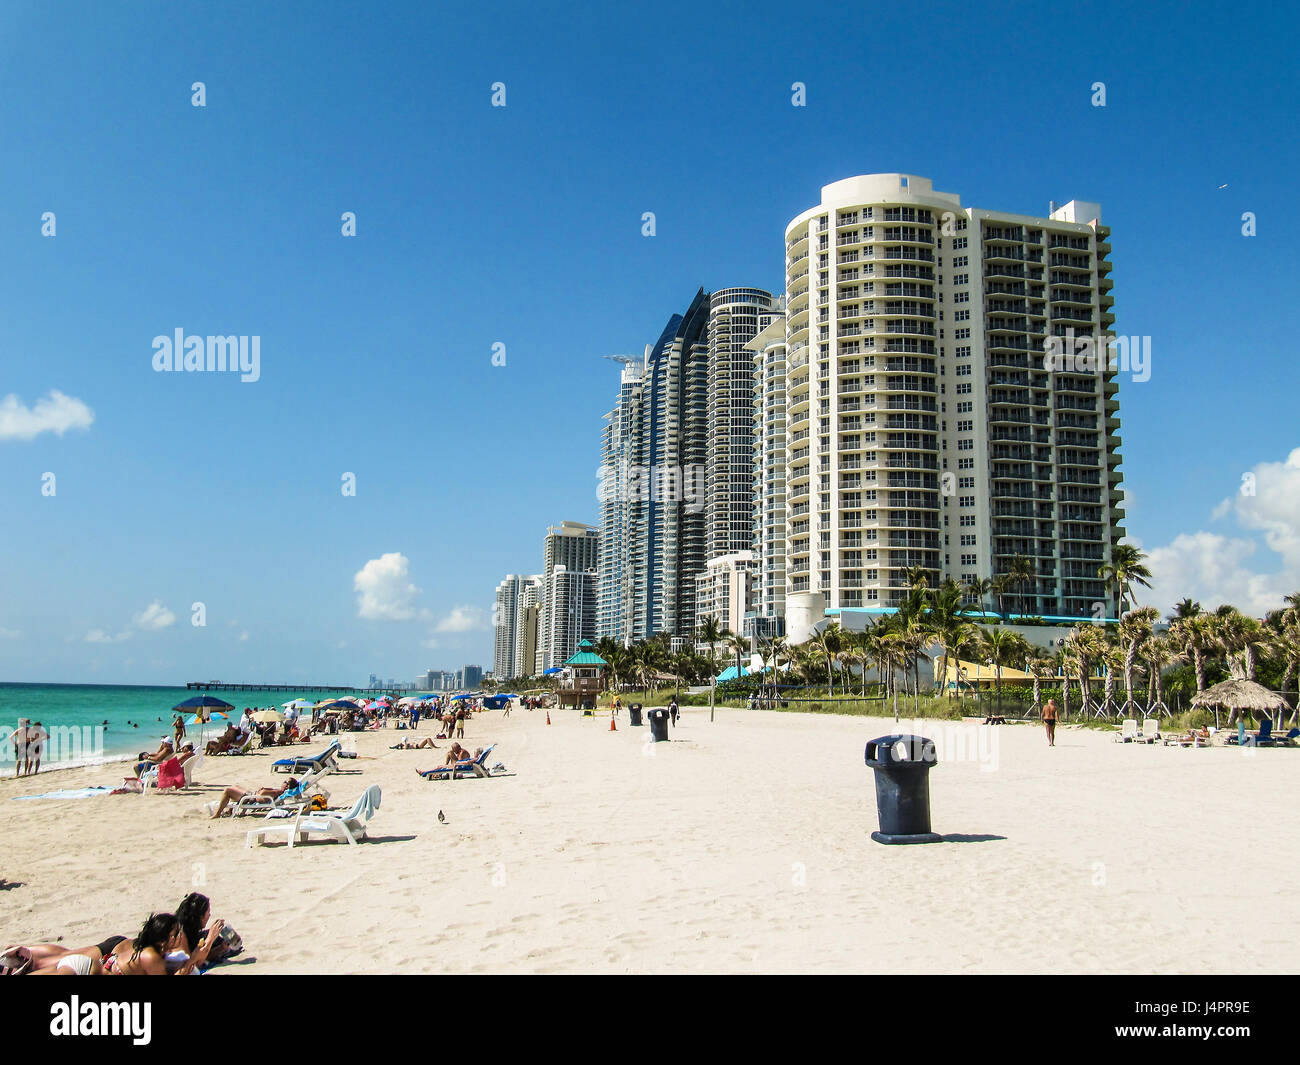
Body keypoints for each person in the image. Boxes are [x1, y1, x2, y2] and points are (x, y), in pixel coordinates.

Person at [207, 776, 300, 819]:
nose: (283, 782)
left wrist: (261, 790)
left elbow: (263, 793)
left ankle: (217, 814)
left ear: (287, 786)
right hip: (251, 796)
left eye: (285, 782)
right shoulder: (279, 791)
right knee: (235, 786)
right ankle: (229, 810)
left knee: (227, 790)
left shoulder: (279, 791)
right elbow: (263, 791)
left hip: (250, 799)